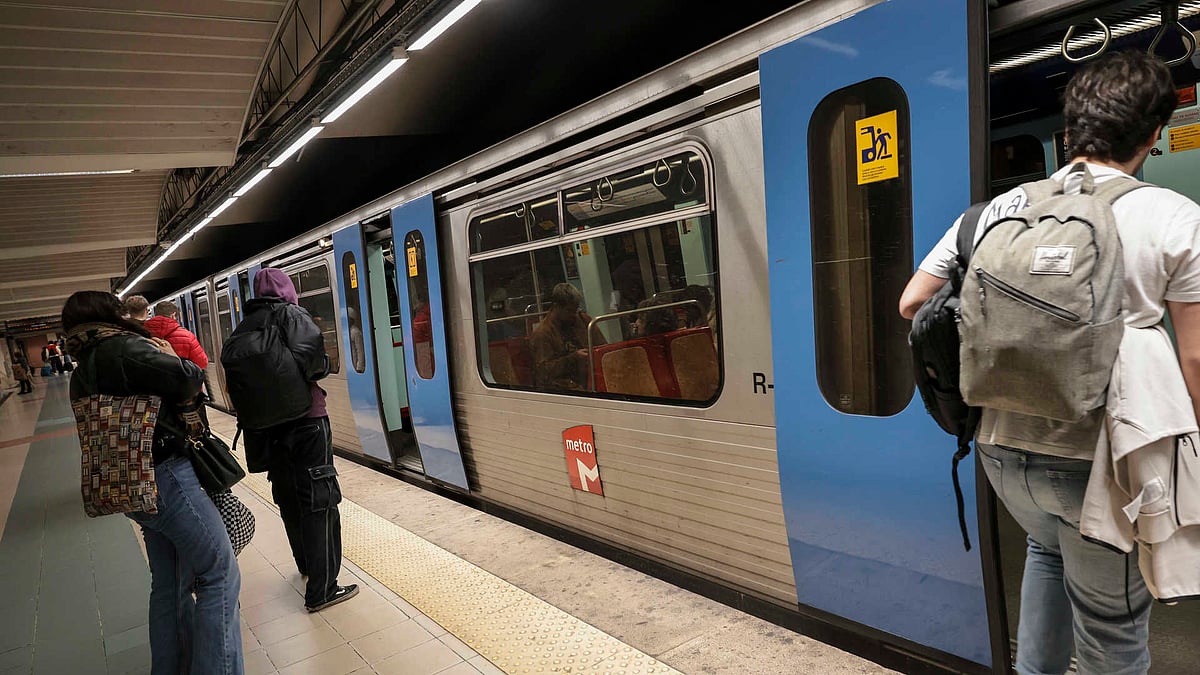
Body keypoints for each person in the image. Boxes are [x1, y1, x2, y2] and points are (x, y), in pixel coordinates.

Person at [899, 51, 1200, 675]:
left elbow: (914, 302)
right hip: (1102, 458)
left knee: (1045, 553)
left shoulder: (992, 215)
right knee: (1111, 631)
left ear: (1069, 133)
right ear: (1153, 135)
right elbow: (1196, 354)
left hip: (1001, 447)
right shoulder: (1174, 216)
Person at [60, 291, 242, 674]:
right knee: (218, 573)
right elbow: (188, 377)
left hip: (130, 487)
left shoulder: (83, 370)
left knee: (170, 583)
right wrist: (173, 358)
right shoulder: (124, 350)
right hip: (167, 476)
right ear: (112, 314)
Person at [236, 268, 357, 612]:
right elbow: (316, 365)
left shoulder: (245, 327)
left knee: (289, 496)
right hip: (307, 421)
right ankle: (323, 589)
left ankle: (306, 565)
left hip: (267, 429)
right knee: (319, 499)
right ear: (288, 290)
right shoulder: (292, 315)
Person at [530, 283, 606, 390]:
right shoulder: (543, 333)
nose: (573, 314)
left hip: (590, 376)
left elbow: (602, 346)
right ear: (556, 307)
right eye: (569, 310)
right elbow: (544, 372)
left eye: (575, 310)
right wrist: (573, 359)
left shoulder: (584, 321)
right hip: (562, 385)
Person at [145, 301, 210, 368]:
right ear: (173, 315)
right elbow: (202, 363)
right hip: (180, 377)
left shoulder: (142, 335)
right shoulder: (187, 336)